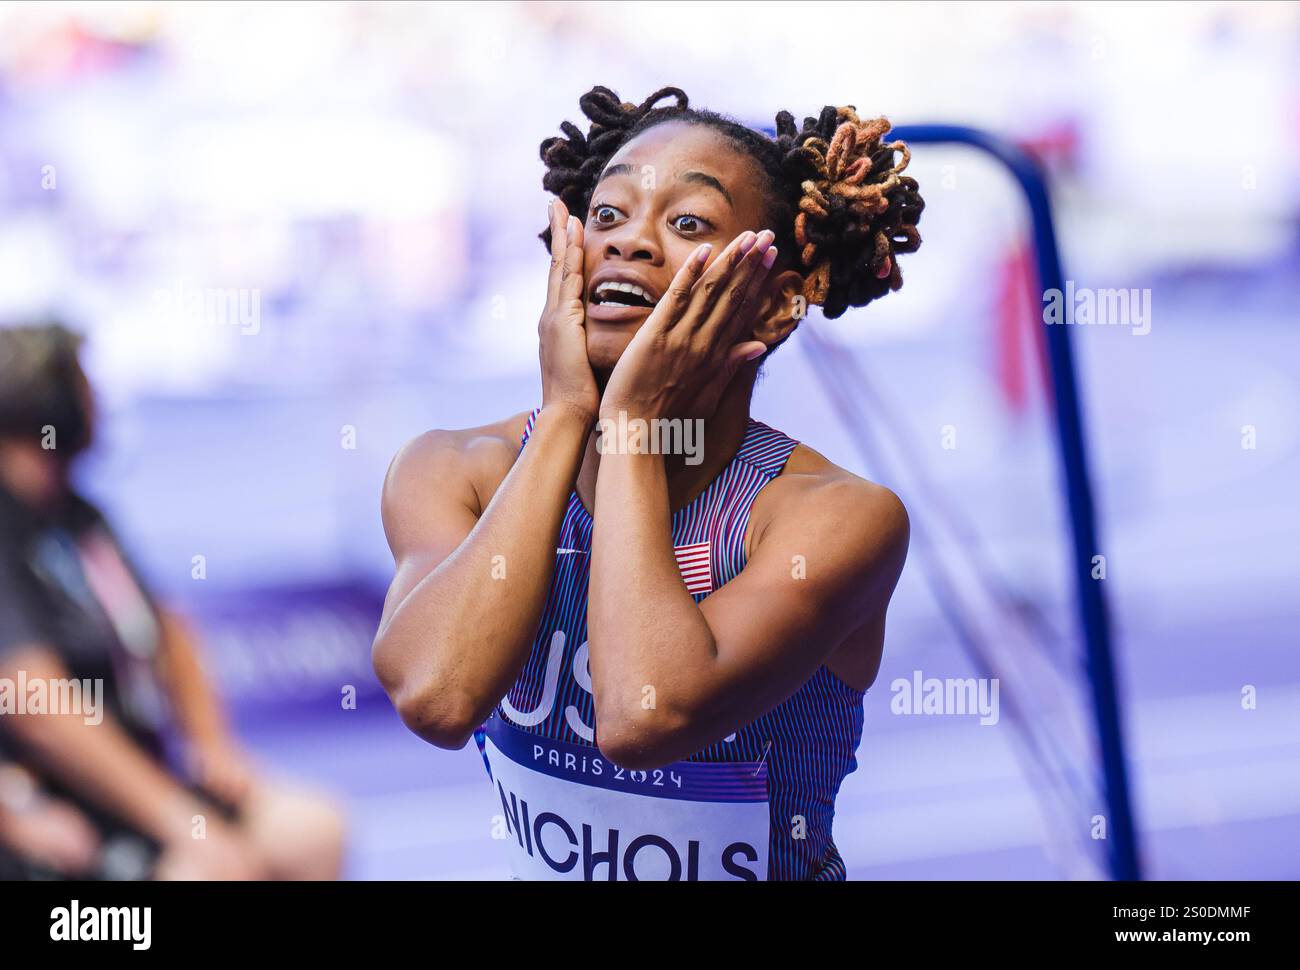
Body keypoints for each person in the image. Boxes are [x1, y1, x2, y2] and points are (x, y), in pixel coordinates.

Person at [373, 87, 923, 880]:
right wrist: (568, 414)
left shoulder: (836, 520)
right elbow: (438, 697)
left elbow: (646, 714)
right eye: (607, 215)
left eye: (688, 223)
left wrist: (633, 427)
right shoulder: (453, 470)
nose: (631, 242)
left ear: (773, 306)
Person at [0, 323, 345, 880]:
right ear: (49, 404)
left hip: (133, 790)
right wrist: (174, 817)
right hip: (45, 808)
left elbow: (169, 634)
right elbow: (37, 705)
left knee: (312, 832)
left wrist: (213, 745)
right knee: (217, 870)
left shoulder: (78, 518)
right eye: (85, 388)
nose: (99, 404)